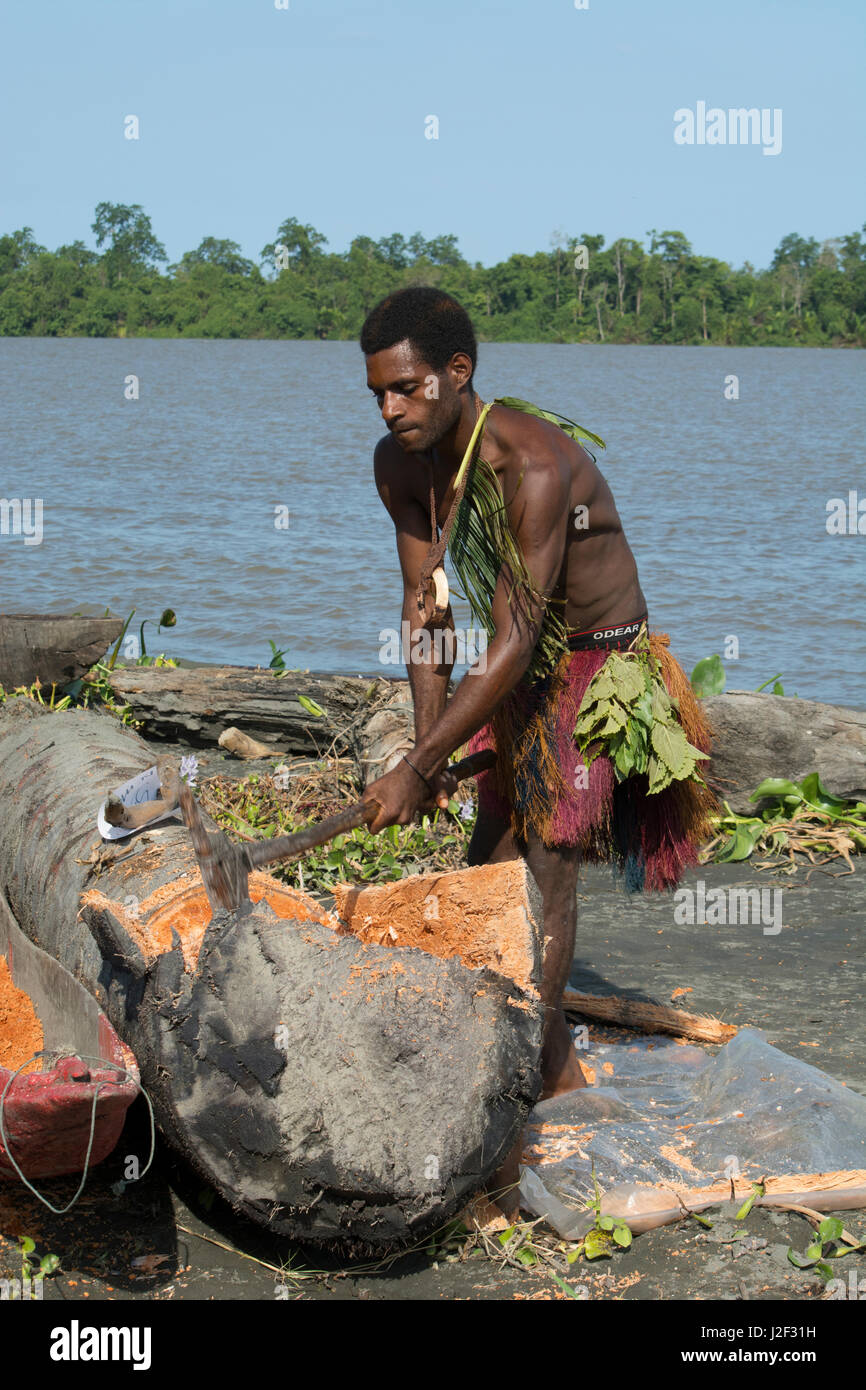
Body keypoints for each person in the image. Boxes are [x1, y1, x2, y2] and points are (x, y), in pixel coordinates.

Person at [360, 286, 716, 1112]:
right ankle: (544, 1064)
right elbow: (426, 611)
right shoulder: (399, 466)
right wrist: (430, 753)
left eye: (406, 388)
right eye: (377, 391)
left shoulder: (535, 464)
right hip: (516, 669)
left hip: (595, 667)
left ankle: (538, 1076)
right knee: (487, 860)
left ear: (459, 372)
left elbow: (517, 639)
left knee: (547, 860)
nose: (389, 408)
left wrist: (418, 765)